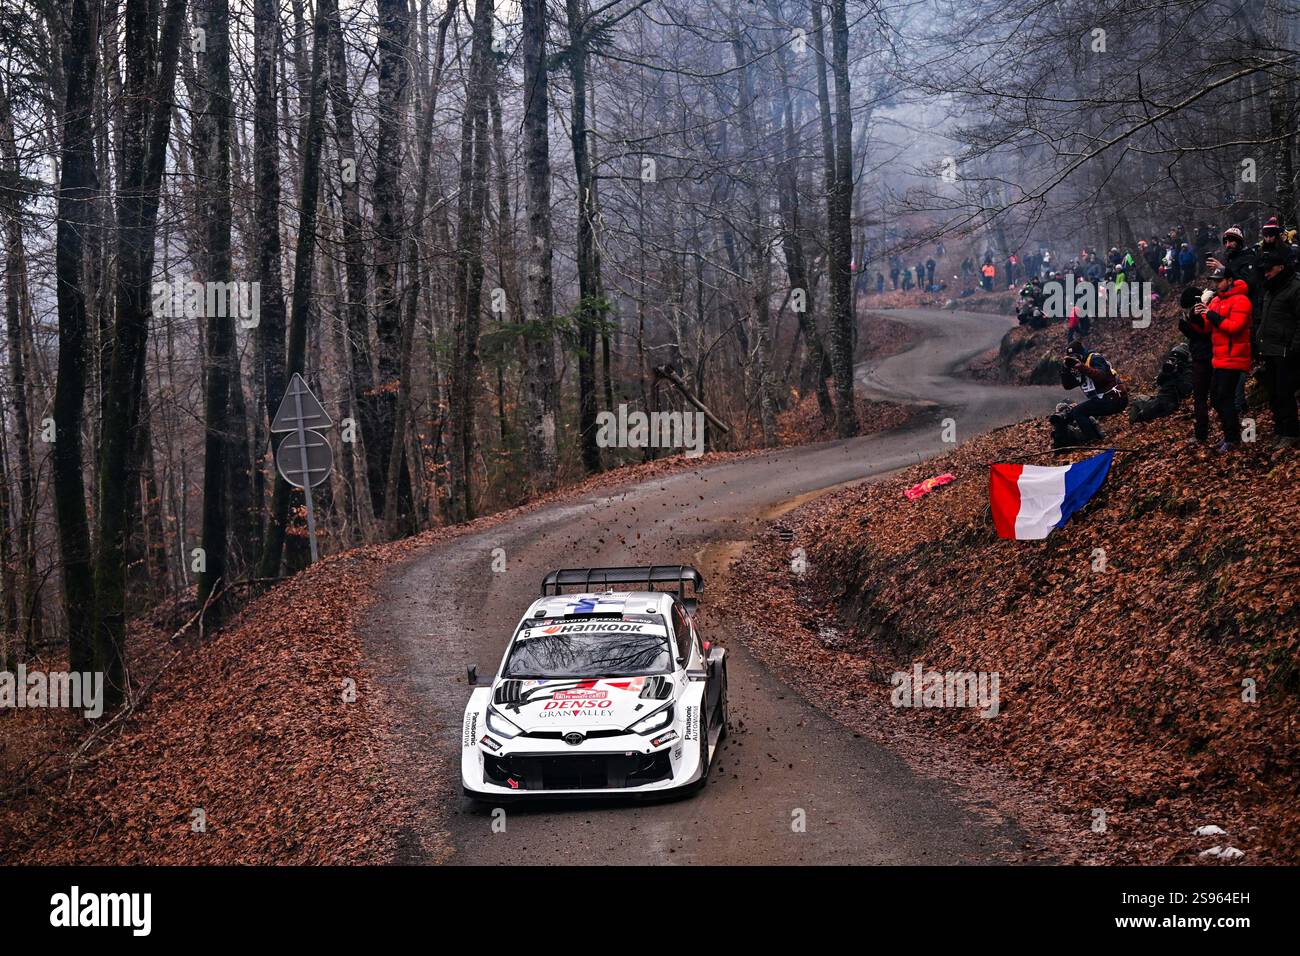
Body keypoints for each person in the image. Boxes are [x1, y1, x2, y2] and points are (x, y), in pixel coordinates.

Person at [1194, 265, 1253, 452]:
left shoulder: (1241, 300)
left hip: (1235, 357)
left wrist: (1209, 314)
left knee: (1225, 397)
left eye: (1220, 280)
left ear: (1229, 280)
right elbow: (1206, 328)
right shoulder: (1216, 301)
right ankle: (1230, 433)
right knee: (1217, 399)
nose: (1217, 284)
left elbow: (1234, 327)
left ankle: (1233, 437)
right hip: (1219, 358)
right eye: (1215, 281)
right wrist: (1195, 315)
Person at [1255, 250, 1300, 447]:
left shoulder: (1295, 287)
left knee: (1285, 392)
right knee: (1273, 393)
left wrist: (1294, 348)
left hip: (1286, 350)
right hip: (1269, 349)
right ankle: (1280, 429)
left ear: (1280, 267)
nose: (1266, 273)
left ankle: (1291, 432)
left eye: (1269, 269)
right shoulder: (1271, 288)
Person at [1054, 340, 1128, 443]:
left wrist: (1082, 367)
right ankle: (1094, 438)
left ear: (1081, 354)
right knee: (1072, 413)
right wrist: (1065, 370)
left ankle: (1094, 441)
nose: (1075, 359)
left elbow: (1101, 376)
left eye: (1076, 356)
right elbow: (1068, 386)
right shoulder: (1077, 368)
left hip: (1114, 397)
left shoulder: (1094, 358)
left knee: (1079, 411)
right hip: (1103, 399)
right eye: (1072, 357)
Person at [1178, 285, 1214, 444]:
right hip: (1208, 355)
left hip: (1204, 357)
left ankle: (1202, 434)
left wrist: (1186, 327)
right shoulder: (1208, 306)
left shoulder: (1199, 311)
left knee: (1202, 397)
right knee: (1212, 397)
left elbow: (1202, 332)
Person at [1129, 343, 1193, 423]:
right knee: (1140, 399)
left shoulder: (1187, 370)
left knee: (1137, 403)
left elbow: (1187, 389)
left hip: (1166, 403)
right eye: (1173, 356)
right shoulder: (1170, 367)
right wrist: (1165, 371)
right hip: (1161, 400)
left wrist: (1177, 374)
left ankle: (1133, 425)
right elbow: (1159, 382)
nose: (1174, 359)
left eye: (1177, 356)